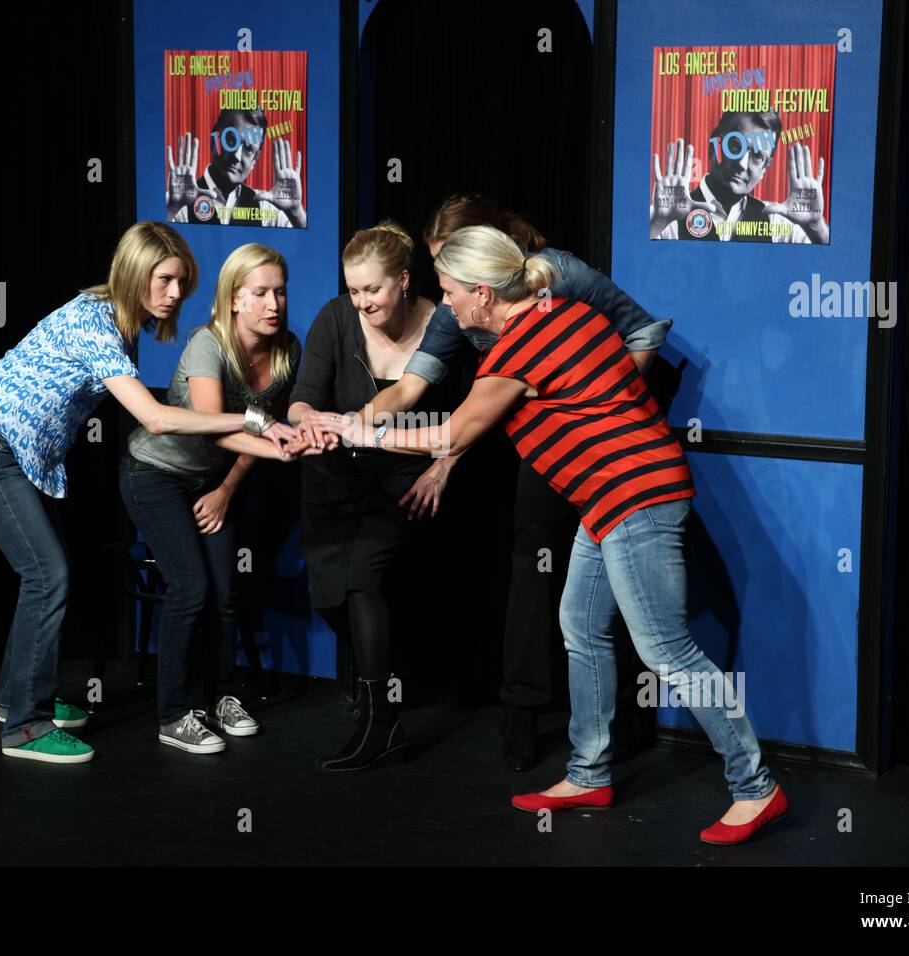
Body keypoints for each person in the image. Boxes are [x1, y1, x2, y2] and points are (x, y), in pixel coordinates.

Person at [326, 225, 788, 844]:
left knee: (664, 651)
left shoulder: (524, 343)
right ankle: (588, 771)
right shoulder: (563, 313)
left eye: (451, 291)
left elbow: (450, 436)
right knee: (583, 628)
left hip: (634, 497)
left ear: (483, 294)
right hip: (607, 502)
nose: (449, 304)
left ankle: (756, 787)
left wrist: (362, 433)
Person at [0, 221, 299, 765]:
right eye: (165, 279)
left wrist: (278, 441)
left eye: (182, 281)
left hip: (11, 452)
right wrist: (256, 420)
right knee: (48, 575)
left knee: (44, 574)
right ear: (135, 273)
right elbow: (155, 419)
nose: (176, 294)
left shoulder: (120, 323)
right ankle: (26, 728)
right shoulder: (97, 322)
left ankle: (16, 698)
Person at [343, 194, 672, 771]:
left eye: (453, 275)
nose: (443, 291)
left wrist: (603, 403)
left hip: (612, 449)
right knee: (533, 561)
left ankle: (634, 716)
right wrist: (350, 423)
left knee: (622, 580)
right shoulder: (458, 311)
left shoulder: (560, 279)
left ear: (490, 274)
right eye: (442, 271)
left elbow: (643, 332)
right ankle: (524, 712)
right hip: (542, 443)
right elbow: (415, 393)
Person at [288, 221, 463, 773]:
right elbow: (301, 401)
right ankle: (376, 689)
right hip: (333, 475)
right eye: (355, 289)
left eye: (374, 290)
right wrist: (311, 422)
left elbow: (470, 417)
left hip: (400, 477)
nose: (362, 302)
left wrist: (442, 467)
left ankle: (382, 720)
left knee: (365, 578)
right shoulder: (336, 318)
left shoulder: (443, 323)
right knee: (330, 595)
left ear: (404, 280)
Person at [121, 244, 304, 755]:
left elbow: (253, 440)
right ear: (234, 298)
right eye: (261, 293)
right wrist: (279, 446)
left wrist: (225, 489)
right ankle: (175, 714)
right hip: (154, 473)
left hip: (211, 482)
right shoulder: (209, 344)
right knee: (191, 587)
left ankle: (221, 696)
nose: (274, 303)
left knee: (224, 593)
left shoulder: (286, 349)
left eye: (280, 291)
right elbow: (215, 431)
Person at [650, 111, 828, 243]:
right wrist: (658, 223)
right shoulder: (663, 216)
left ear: (765, 168)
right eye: (735, 146)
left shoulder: (777, 224)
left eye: (757, 157)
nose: (742, 164)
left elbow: (835, 267)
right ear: (715, 147)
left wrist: (816, 227)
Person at [166, 111, 306, 228]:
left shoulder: (266, 207)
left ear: (255, 159)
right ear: (214, 141)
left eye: (249, 149)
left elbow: (307, 247)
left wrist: (296, 212)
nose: (237, 156)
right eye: (231, 140)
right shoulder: (176, 201)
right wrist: (172, 208)